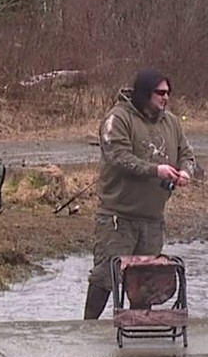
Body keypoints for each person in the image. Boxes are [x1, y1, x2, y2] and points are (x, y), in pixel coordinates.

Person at [84, 68, 196, 320]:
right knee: (104, 278)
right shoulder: (118, 118)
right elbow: (118, 157)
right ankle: (87, 328)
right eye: (160, 93)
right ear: (145, 93)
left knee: (145, 284)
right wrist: (156, 170)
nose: (166, 98)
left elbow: (187, 154)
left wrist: (185, 171)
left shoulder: (173, 122)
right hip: (117, 218)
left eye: (168, 93)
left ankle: (137, 330)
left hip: (152, 219)